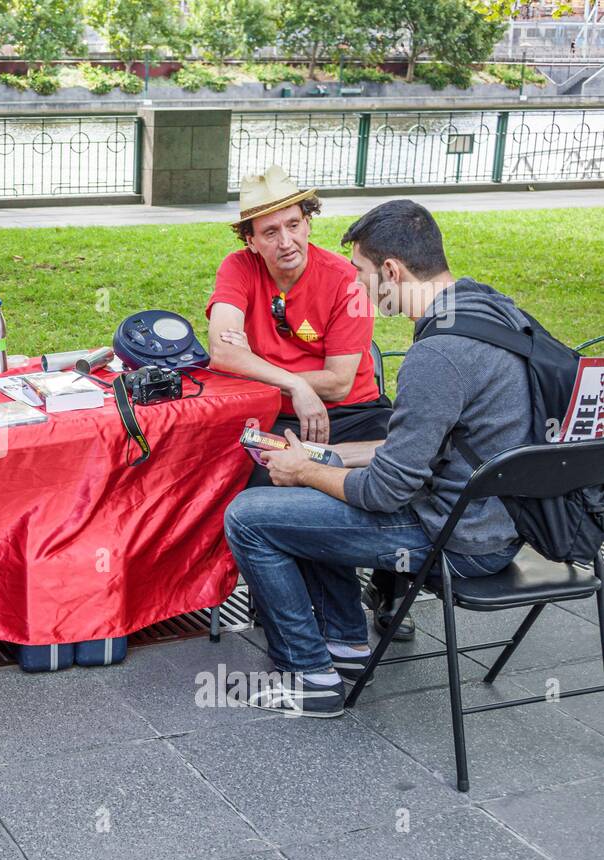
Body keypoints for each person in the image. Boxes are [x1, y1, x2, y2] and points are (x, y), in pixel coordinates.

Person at [223, 200, 531, 717]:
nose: (357, 286)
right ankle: (345, 642)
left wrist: (307, 471)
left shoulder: (437, 356)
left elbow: (385, 491)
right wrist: (331, 454)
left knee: (250, 518)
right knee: (307, 492)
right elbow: (430, 447)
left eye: (362, 273)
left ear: (390, 271)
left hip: (458, 541)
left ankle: (309, 677)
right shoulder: (496, 313)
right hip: (505, 522)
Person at [206, 164, 412, 638]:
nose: (286, 241)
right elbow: (221, 348)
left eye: (294, 224)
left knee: (401, 467)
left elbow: (340, 382)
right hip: (276, 413)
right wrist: (296, 385)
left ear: (309, 221)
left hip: (356, 412)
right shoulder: (238, 269)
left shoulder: (344, 277)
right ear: (250, 240)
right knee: (271, 479)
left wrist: (261, 369)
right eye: (270, 231)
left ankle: (391, 582)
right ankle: (290, 600)